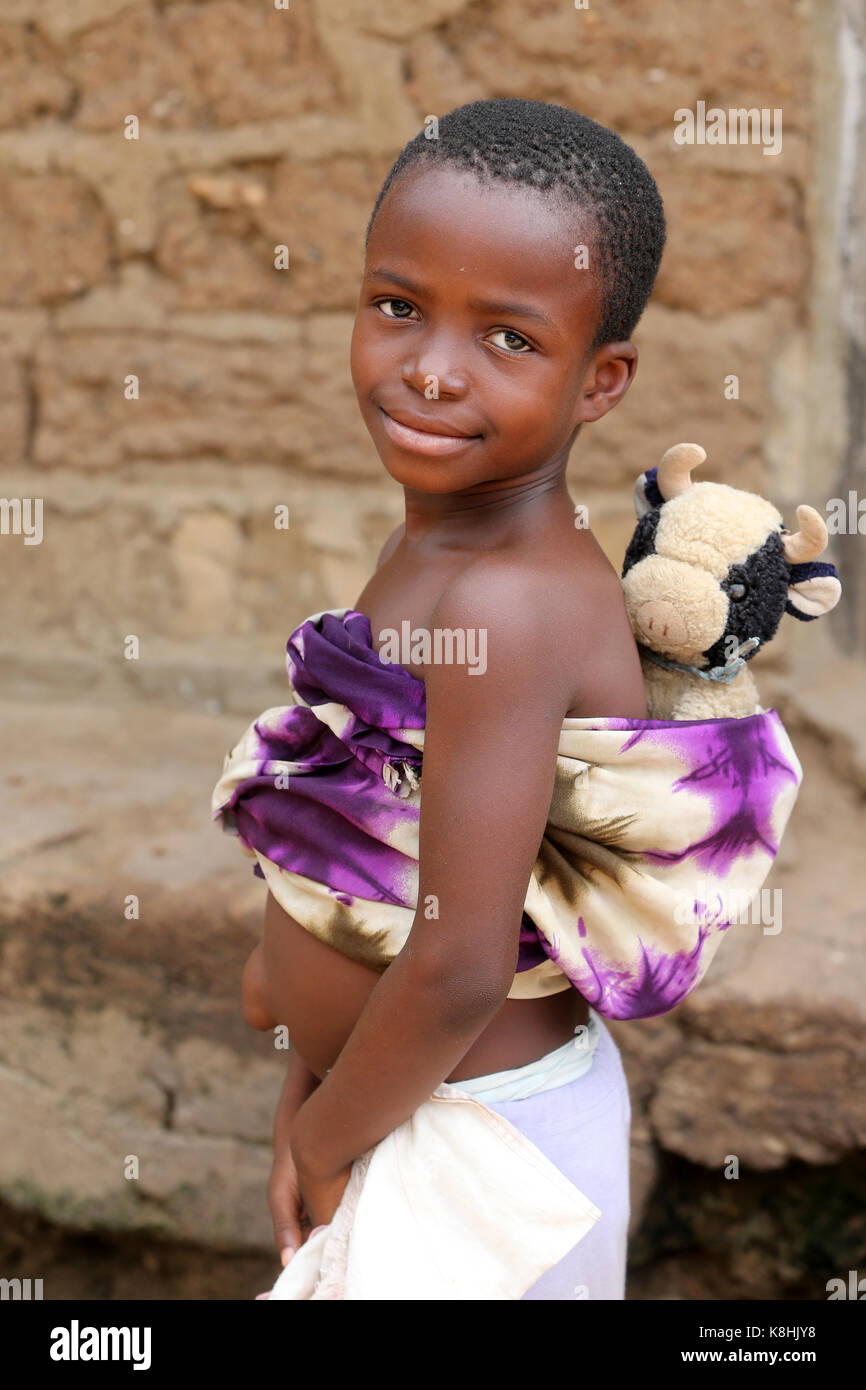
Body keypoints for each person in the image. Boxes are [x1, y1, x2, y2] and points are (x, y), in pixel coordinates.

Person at [226, 97, 665, 1299]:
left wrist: (323, 1145)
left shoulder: (505, 609)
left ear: (599, 379)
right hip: (392, 1100)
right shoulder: (433, 546)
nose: (428, 368)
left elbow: (461, 962)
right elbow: (372, 852)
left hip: (480, 1155)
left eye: (509, 339)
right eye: (397, 306)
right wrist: (309, 1077)